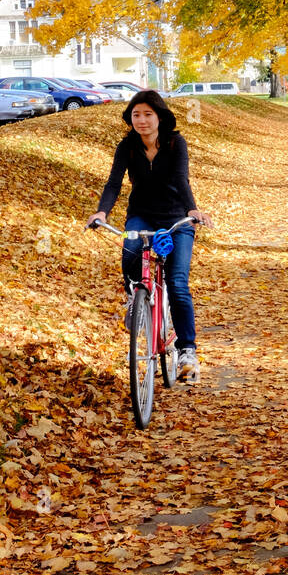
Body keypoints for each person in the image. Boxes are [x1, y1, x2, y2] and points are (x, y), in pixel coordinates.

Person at [87, 89, 211, 383]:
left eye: (147, 114)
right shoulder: (127, 146)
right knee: (130, 251)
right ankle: (135, 296)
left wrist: (193, 210)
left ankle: (187, 351)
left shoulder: (174, 142)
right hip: (141, 216)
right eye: (136, 115)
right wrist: (102, 213)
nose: (141, 120)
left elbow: (181, 178)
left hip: (175, 219)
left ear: (160, 116)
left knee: (177, 284)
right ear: (130, 119)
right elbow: (113, 183)